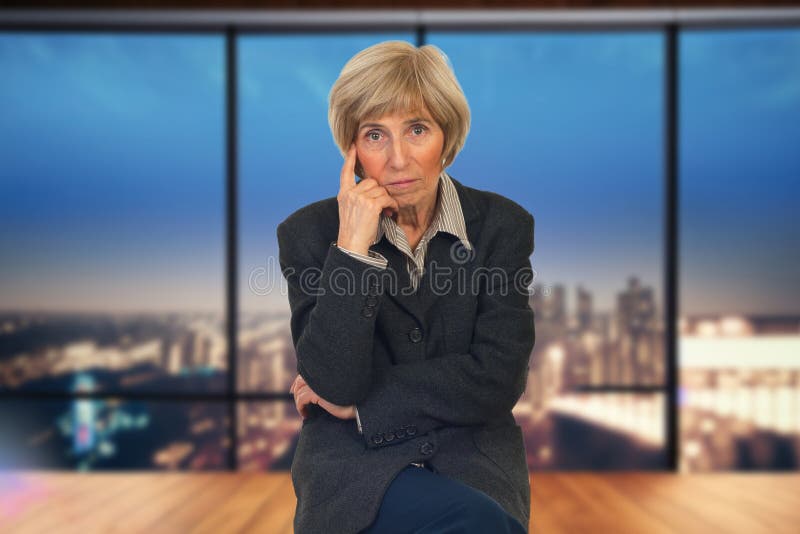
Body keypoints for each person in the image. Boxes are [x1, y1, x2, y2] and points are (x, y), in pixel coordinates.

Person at [278, 40, 535, 534]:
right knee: (475, 524)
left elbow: (499, 376)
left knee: (480, 518)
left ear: (447, 137)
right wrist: (351, 249)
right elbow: (333, 381)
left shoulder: (503, 226)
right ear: (352, 151)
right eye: (375, 135)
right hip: (355, 467)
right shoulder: (308, 235)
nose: (398, 159)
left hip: (472, 459)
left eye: (417, 130)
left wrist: (363, 406)